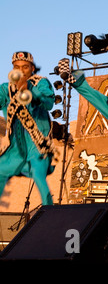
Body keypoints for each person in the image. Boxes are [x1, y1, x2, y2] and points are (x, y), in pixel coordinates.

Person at [0, 52, 56, 206]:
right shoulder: (6, 89)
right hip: (14, 149)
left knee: (38, 176)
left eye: (25, 67)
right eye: (17, 67)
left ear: (32, 68)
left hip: (37, 146)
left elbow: (49, 103)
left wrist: (30, 92)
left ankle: (49, 213)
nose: (21, 70)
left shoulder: (40, 83)